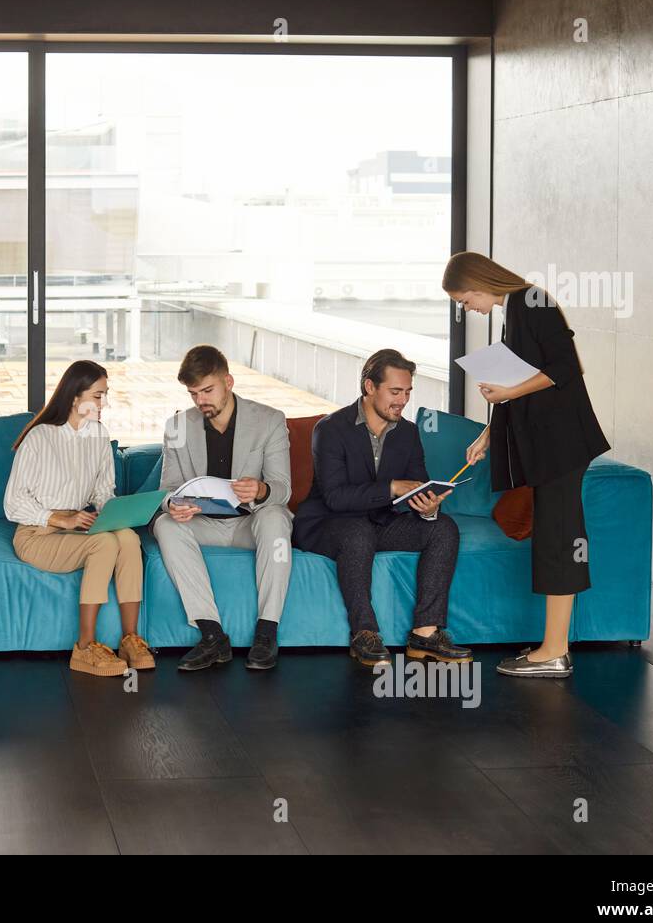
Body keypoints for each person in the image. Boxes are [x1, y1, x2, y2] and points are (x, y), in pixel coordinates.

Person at [443, 251, 611, 678]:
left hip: (561, 445)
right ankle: (552, 647)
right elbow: (517, 383)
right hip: (551, 446)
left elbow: (567, 367)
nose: (467, 309)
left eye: (464, 300)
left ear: (480, 283)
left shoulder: (532, 301)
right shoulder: (516, 309)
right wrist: (488, 434)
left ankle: (554, 652)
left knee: (559, 538)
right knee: (555, 537)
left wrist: (509, 390)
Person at [293, 349, 470, 668]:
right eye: (395, 391)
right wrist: (391, 488)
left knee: (443, 527)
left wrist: (427, 507)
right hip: (328, 524)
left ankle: (425, 634)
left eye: (407, 392)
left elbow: (418, 483)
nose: (403, 400)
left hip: (380, 522)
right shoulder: (331, 428)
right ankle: (365, 632)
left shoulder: (408, 431)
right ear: (369, 387)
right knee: (358, 533)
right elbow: (335, 498)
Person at [4, 361, 153, 676]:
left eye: (104, 396)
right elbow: (13, 503)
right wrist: (61, 519)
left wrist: (110, 512)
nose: (103, 403)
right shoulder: (39, 438)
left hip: (77, 529)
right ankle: (85, 647)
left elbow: (102, 491)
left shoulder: (98, 435)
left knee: (127, 538)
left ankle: (130, 639)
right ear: (75, 397)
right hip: (36, 535)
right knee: (102, 545)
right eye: (98, 396)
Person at [151, 345, 293, 671]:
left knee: (276, 519)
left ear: (228, 381)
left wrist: (261, 489)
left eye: (208, 390)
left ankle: (267, 632)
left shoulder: (269, 420)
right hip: (203, 523)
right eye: (193, 394)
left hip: (250, 522)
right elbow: (166, 488)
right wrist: (173, 504)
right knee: (164, 525)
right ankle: (212, 635)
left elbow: (282, 489)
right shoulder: (177, 426)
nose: (201, 401)